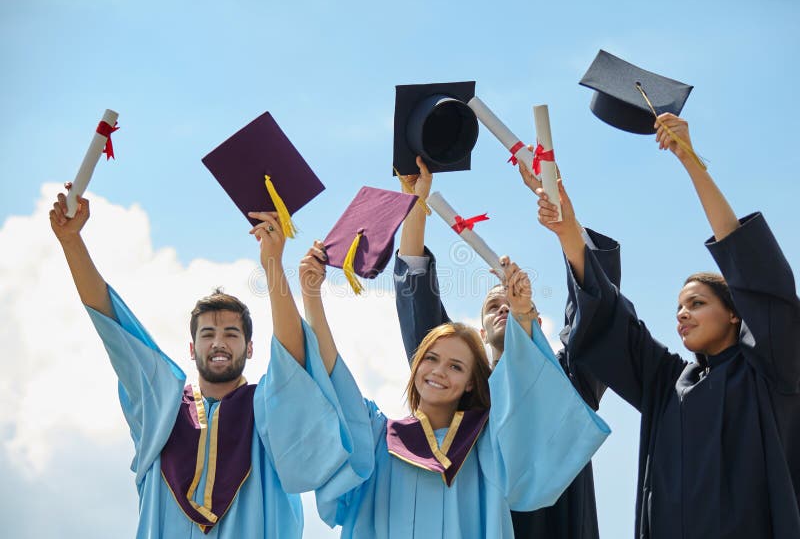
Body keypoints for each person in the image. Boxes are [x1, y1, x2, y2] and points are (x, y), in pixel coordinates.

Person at [251, 208, 610, 539]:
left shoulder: (490, 443)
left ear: (473, 381)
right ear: (416, 363)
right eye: (432, 359)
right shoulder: (378, 440)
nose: (439, 371)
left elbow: (529, 405)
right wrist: (309, 293)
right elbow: (327, 371)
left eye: (456, 366)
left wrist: (525, 318)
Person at [537, 114, 800, 538]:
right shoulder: (667, 384)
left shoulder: (769, 370)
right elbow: (610, 321)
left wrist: (690, 161)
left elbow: (756, 272)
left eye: (697, 303)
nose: (682, 313)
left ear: (736, 312)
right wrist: (567, 230)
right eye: (679, 306)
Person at [49, 189, 309, 538]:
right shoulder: (161, 408)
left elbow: (293, 357)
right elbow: (115, 326)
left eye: (231, 333)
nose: (218, 342)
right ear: (191, 347)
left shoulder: (268, 410)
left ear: (249, 348)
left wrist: (273, 264)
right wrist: (71, 242)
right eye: (207, 334)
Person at [393, 155, 621, 538]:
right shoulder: (468, 393)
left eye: (509, 303)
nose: (502, 309)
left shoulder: (568, 380)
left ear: (535, 319)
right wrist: (416, 204)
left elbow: (598, 309)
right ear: (481, 333)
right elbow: (425, 329)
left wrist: (565, 218)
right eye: (492, 307)